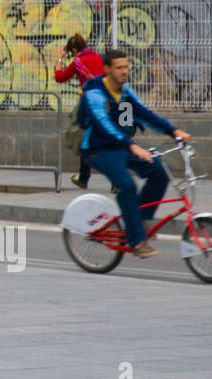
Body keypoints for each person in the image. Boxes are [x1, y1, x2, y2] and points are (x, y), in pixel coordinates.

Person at [77, 49, 190, 258]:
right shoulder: (94, 92)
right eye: (119, 68)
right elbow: (104, 124)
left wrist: (173, 130)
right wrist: (131, 145)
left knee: (159, 172)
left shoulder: (125, 90)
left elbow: (143, 112)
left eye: (126, 67)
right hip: (97, 149)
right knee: (127, 186)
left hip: (121, 145)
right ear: (107, 69)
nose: (124, 71)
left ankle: (141, 220)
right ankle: (137, 240)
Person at [54, 34, 104, 189]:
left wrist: (59, 60)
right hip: (104, 100)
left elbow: (60, 77)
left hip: (88, 102)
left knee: (83, 137)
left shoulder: (77, 61)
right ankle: (91, 178)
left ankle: (84, 178)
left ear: (74, 49)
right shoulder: (97, 56)